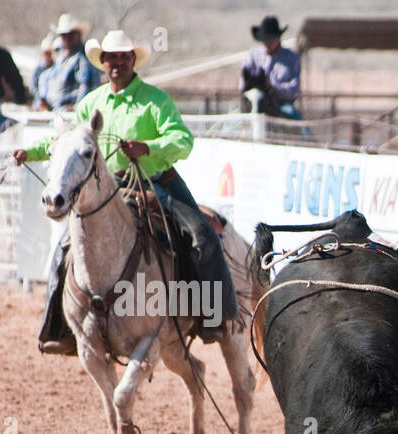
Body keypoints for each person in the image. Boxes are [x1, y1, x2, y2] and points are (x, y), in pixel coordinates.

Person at [12, 29, 236, 356]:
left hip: (158, 182)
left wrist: (147, 147)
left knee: (203, 235)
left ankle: (214, 316)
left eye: (123, 57)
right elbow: (69, 143)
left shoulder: (155, 100)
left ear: (133, 60)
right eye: (111, 58)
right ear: (102, 63)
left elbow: (183, 141)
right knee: (63, 250)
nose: (117, 63)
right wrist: (29, 153)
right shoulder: (91, 103)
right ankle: (59, 328)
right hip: (110, 189)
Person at [240, 15, 301, 120]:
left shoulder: (292, 58)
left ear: (278, 38)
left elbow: (295, 89)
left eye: (271, 40)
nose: (268, 44)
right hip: (252, 104)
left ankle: (306, 137)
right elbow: (243, 83)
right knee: (230, 125)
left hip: (282, 104)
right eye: (265, 40)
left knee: (294, 117)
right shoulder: (253, 55)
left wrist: (273, 86)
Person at [41, 14, 101, 111]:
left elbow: (86, 87)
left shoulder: (82, 59)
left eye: (71, 34)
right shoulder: (61, 58)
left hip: (69, 114)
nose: (67, 38)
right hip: (55, 111)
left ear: (79, 35)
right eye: (64, 35)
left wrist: (78, 109)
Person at [31, 34, 58, 109]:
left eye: (50, 53)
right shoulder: (39, 69)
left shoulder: (57, 67)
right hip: (40, 101)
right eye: (46, 54)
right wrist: (41, 97)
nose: (48, 56)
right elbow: (33, 86)